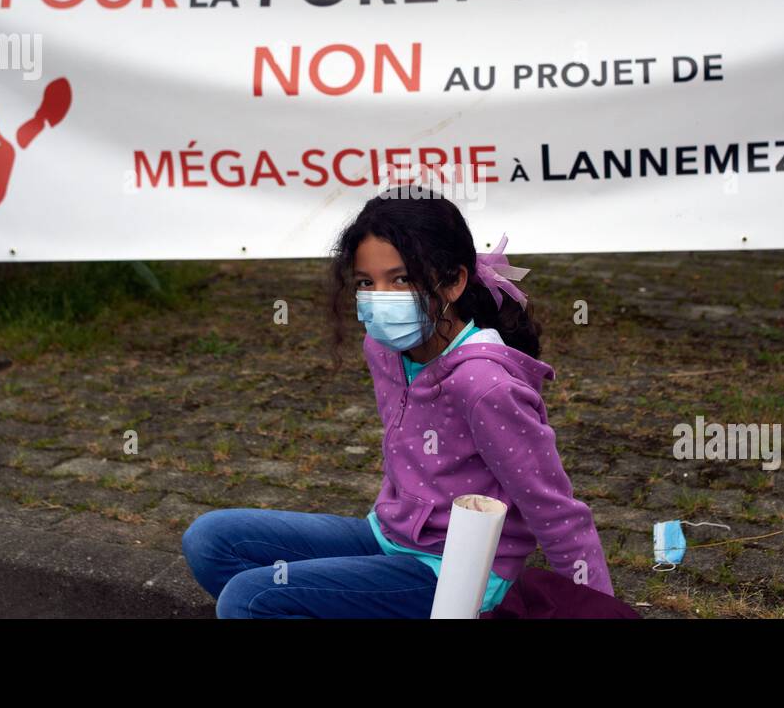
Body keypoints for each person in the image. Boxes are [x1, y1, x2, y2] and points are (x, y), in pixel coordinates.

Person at [181, 187, 614, 617]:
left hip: (458, 575)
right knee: (211, 540)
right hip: (388, 537)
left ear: (454, 282)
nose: (380, 296)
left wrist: (597, 609)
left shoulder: (484, 385)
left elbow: (556, 512)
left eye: (402, 278)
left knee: (249, 599)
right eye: (367, 282)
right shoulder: (383, 349)